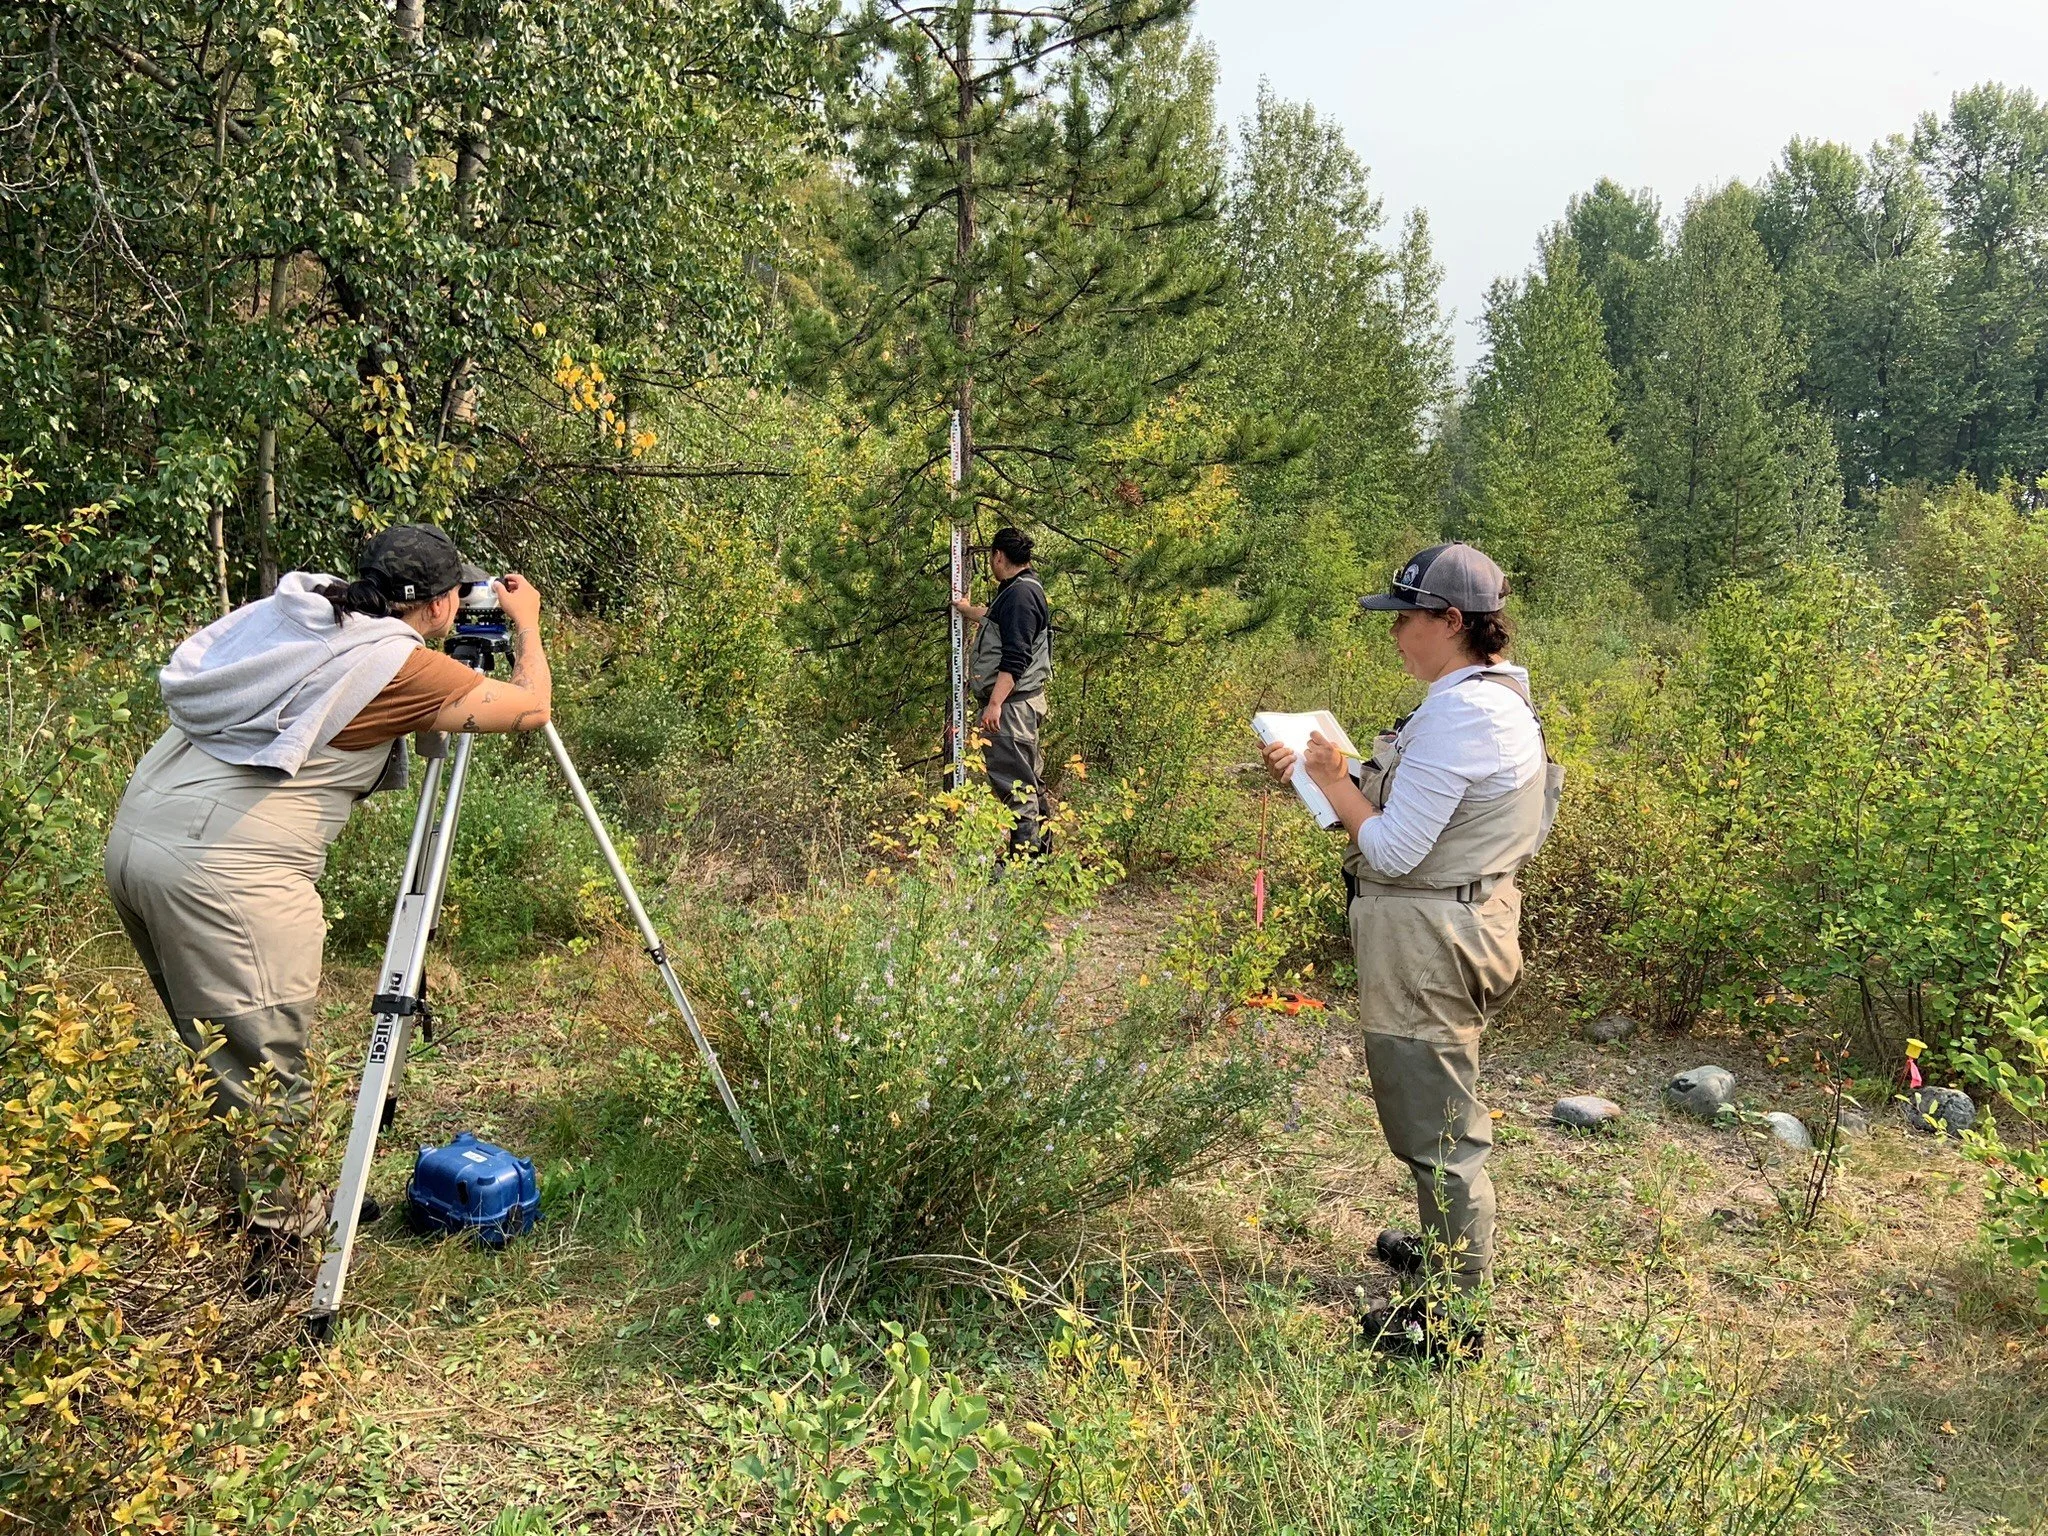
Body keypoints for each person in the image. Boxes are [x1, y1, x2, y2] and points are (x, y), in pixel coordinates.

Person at [103, 525, 553, 1267]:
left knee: (220, 1053)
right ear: (442, 605)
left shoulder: (311, 617)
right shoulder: (398, 667)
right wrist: (526, 626)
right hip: (223, 870)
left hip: (142, 838)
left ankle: (265, 1201)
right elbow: (531, 708)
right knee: (264, 1064)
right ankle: (276, 1256)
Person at [1260, 542, 1561, 1359]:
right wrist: (1333, 769)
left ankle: (1454, 1321)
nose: (1395, 635)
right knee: (1433, 1116)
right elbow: (1414, 803)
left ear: (1454, 621)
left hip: (1433, 942)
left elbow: (1392, 849)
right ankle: (1445, 1255)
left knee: (1439, 1133)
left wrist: (1329, 780)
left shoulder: (1467, 713)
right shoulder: (1481, 701)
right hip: (1448, 927)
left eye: (1407, 619)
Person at [951, 526, 1053, 856]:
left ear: (998, 556)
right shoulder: (1019, 589)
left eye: (991, 559)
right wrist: (966, 610)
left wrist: (994, 703)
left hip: (1012, 709)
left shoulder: (1021, 596)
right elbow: (996, 619)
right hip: (1018, 705)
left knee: (1016, 787)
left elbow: (1017, 656)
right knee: (1028, 782)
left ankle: (1023, 864)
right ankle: (1040, 857)